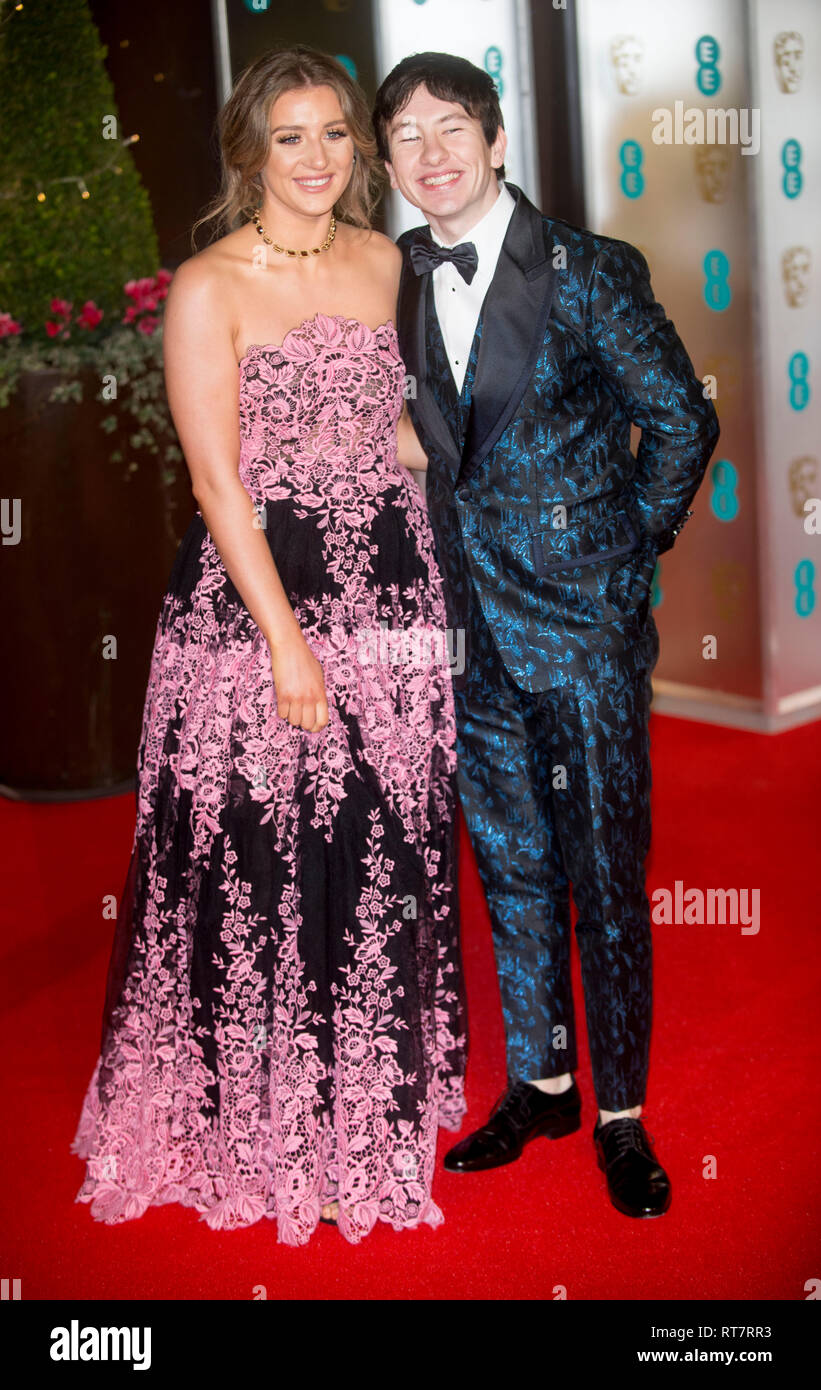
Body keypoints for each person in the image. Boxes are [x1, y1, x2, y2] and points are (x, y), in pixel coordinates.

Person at [71, 46, 467, 1247]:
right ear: (249, 149)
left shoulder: (378, 259)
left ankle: (362, 1113)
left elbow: (389, 423)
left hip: (392, 591)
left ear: (360, 148)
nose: (315, 158)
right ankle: (265, 1123)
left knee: (375, 843)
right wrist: (289, 646)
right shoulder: (209, 284)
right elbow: (213, 479)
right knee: (262, 853)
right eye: (289, 135)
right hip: (260, 605)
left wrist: (491, 446)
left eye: (337, 134)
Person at [373, 52, 720, 1218]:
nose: (432, 152)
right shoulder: (402, 276)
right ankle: (545, 1080)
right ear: (388, 164)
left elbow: (681, 422)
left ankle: (621, 1112)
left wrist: (628, 563)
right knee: (513, 869)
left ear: (498, 137)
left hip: (583, 630)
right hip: (466, 636)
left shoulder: (588, 270)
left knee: (606, 880)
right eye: (407, 136)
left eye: (451, 126)